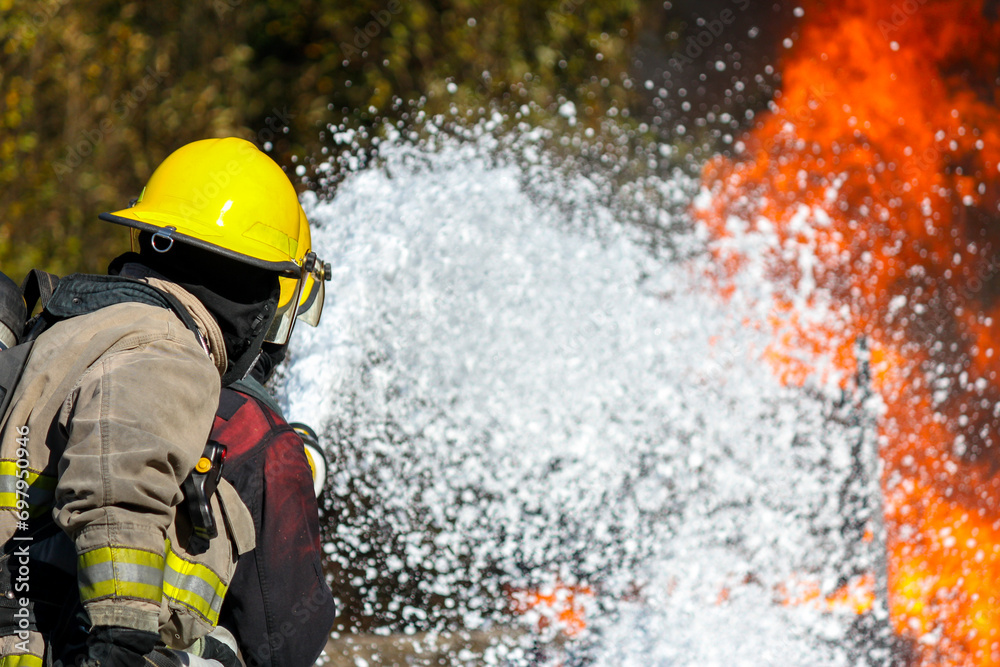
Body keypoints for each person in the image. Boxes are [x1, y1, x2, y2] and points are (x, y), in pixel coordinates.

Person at [0, 137, 330, 666]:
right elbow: (286, 644)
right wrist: (122, 639)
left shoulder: (60, 338)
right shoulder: (172, 352)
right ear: (268, 296)